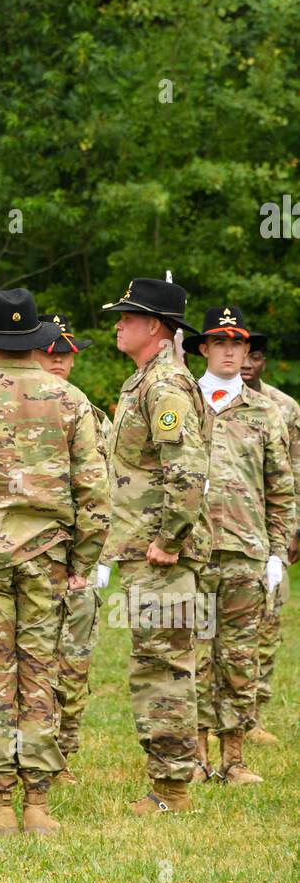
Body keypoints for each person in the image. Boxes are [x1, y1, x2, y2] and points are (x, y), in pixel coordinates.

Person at [0, 289, 109, 836]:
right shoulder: (71, 399)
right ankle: (38, 805)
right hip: (50, 557)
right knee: (40, 674)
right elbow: (95, 491)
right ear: (36, 341)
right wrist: (84, 557)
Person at [101, 277, 210, 815]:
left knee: (163, 668)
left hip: (159, 554)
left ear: (155, 327)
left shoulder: (164, 384)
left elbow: (186, 469)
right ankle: (167, 784)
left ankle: (172, 790)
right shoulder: (144, 381)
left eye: (127, 317)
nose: (118, 324)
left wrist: (170, 539)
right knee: (152, 663)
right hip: (142, 549)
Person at [182, 308, 293, 785]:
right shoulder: (183, 402)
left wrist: (277, 552)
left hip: (246, 550)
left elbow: (281, 487)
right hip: (193, 549)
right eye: (220, 343)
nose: (230, 351)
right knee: (193, 653)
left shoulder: (267, 411)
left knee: (240, 657)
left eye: (239, 344)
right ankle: (198, 755)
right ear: (204, 349)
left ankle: (234, 757)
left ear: (248, 352)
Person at [33, 313, 112, 783]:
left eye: (66, 352)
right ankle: (30, 751)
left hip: (77, 560)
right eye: (50, 351)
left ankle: (63, 755)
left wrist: (97, 553)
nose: (59, 360)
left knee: (74, 660)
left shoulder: (92, 416)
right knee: (31, 659)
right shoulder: (10, 407)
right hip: (29, 556)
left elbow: (106, 489)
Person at [241, 332, 300, 743]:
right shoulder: (201, 401)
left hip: (271, 531)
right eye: (244, 354)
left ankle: (254, 714)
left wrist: (295, 529)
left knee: (267, 625)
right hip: (226, 532)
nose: (247, 363)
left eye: (256, 356)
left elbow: (295, 472)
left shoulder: (283, 407)